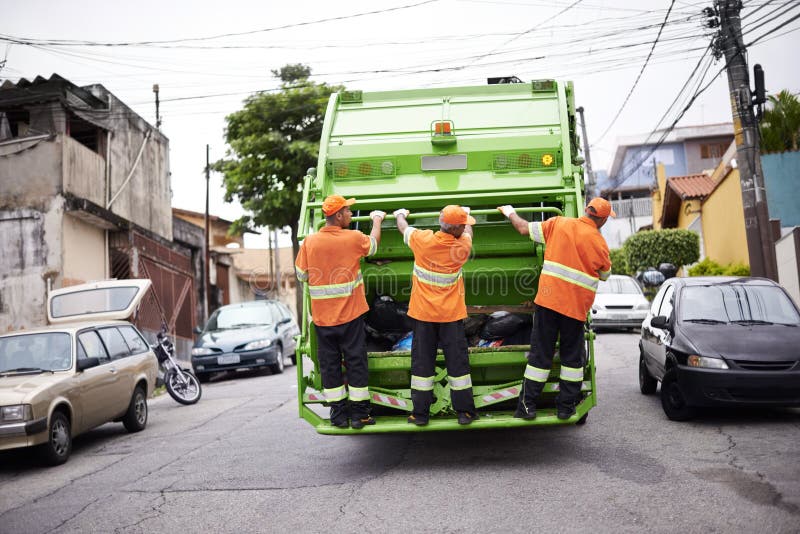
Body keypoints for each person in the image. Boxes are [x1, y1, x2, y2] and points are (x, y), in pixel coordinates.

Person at [497, 197, 613, 420]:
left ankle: (527, 406)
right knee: (572, 360)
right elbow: (605, 275)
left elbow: (522, 228)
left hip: (548, 304)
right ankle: (566, 408)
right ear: (603, 220)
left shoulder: (558, 223)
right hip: (575, 310)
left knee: (540, 355)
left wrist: (510, 211)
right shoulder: (600, 244)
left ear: (587, 211)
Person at [295, 195, 386, 429]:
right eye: (348, 211)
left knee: (330, 364)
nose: (351, 214)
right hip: (351, 315)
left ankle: (338, 415)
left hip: (323, 318)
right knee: (356, 362)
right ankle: (360, 415)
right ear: (337, 215)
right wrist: (376, 220)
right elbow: (373, 245)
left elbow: (301, 275)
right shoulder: (353, 238)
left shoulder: (309, 242)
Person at [394, 205, 480, 426]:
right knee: (458, 364)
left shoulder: (423, 241)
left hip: (423, 316)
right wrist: (466, 216)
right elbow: (469, 233)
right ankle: (465, 413)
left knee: (422, 364)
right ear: (458, 229)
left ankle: (420, 414)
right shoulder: (461, 247)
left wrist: (400, 214)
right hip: (450, 317)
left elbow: (403, 228)